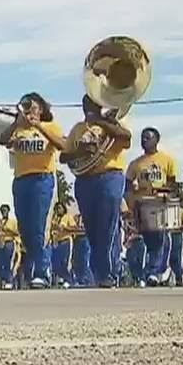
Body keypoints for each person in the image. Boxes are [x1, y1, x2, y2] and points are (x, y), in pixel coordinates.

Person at [0, 93, 65, 289]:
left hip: (43, 179)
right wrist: (16, 122)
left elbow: (62, 145)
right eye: (25, 107)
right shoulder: (18, 130)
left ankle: (42, 272)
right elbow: (2, 140)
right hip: (21, 180)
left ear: (41, 109)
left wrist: (38, 126)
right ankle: (32, 270)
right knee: (26, 229)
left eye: (32, 107)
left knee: (39, 227)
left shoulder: (50, 126)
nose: (29, 111)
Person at [62, 95, 132, 288]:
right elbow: (64, 156)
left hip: (110, 175)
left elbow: (126, 139)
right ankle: (100, 273)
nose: (89, 108)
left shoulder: (113, 122)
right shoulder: (77, 128)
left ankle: (109, 272)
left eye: (93, 104)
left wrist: (101, 121)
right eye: (86, 104)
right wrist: (81, 151)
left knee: (107, 226)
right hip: (85, 179)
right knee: (92, 229)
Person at [125, 127, 179, 286]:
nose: (144, 140)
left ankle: (154, 271)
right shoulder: (136, 163)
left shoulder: (167, 160)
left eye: (148, 137)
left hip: (160, 204)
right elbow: (127, 184)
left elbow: (172, 184)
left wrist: (164, 192)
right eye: (142, 138)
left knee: (160, 238)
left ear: (157, 139)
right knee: (148, 240)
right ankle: (161, 271)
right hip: (143, 205)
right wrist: (132, 197)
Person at [0, 204, 21, 289]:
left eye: (5, 210)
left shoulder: (13, 222)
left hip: (9, 242)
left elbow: (17, 233)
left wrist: (8, 230)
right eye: (2, 210)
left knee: (8, 262)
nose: (4, 212)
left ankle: (9, 281)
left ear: (8, 211)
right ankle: (1, 281)